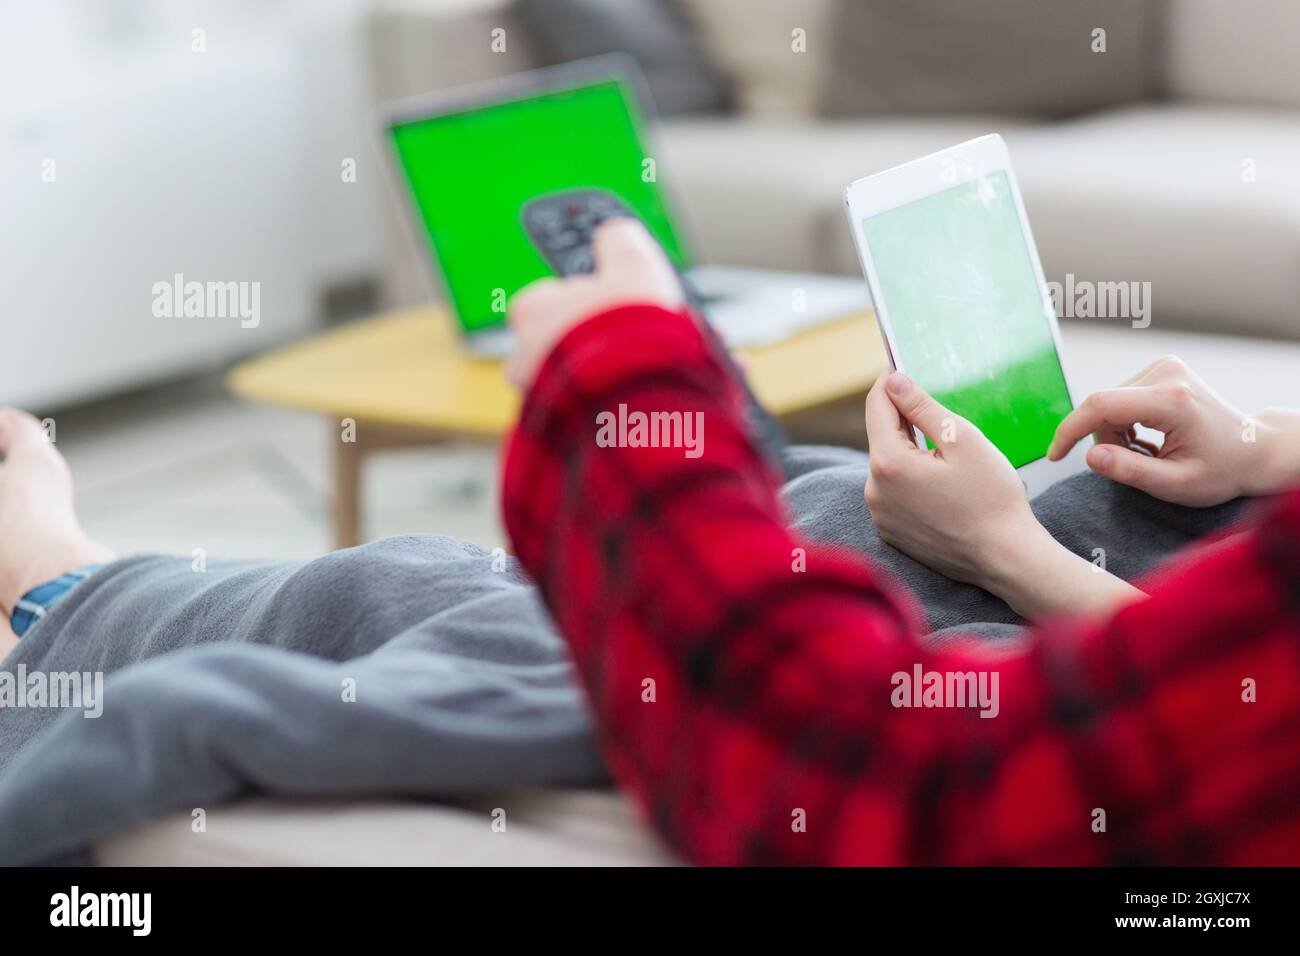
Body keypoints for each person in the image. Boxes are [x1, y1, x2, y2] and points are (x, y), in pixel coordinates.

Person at [2, 219, 1298, 863]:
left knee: (415, 592)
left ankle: (48, 594)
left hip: (995, 605)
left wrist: (619, 388)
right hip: (1115, 557)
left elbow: (895, 788)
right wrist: (1269, 453)